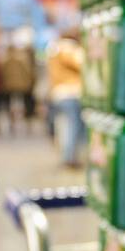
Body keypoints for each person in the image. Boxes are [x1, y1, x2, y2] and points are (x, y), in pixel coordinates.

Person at [46, 27, 85, 167]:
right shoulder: (68, 47)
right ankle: (69, 158)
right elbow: (82, 63)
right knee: (73, 126)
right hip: (71, 92)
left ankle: (68, 155)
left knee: (64, 126)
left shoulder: (53, 49)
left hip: (58, 93)